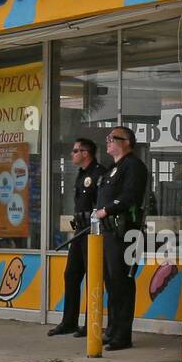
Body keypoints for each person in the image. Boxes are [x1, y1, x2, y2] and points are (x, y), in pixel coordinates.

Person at [93, 127, 149, 350]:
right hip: (108, 233)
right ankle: (113, 328)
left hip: (124, 232)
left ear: (126, 142)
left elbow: (129, 196)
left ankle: (122, 335)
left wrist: (107, 210)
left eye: (112, 138)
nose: (107, 142)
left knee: (122, 282)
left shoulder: (133, 166)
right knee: (110, 282)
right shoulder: (113, 169)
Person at [48, 137, 106, 338]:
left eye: (75, 151)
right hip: (79, 232)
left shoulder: (99, 174)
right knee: (71, 274)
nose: (72, 154)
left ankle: (92, 322)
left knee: (93, 277)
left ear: (85, 153)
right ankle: (69, 321)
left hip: (93, 232)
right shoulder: (82, 175)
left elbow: (101, 204)